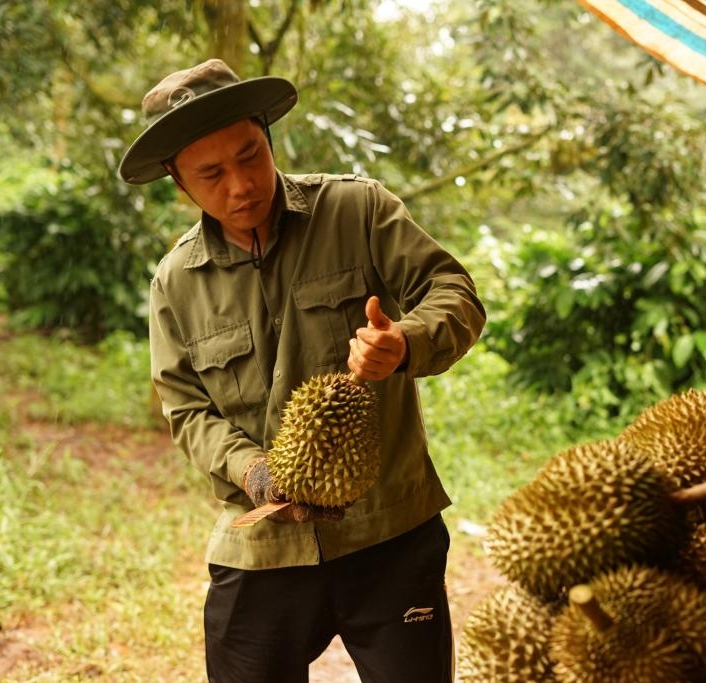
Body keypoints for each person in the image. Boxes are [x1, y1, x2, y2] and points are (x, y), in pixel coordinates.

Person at [118, 58, 486, 683]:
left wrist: (406, 341)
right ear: (179, 183)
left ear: (268, 136)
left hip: (389, 530)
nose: (241, 185)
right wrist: (252, 471)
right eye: (211, 173)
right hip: (262, 546)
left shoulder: (357, 210)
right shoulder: (175, 282)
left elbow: (453, 290)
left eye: (250, 154)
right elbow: (186, 407)